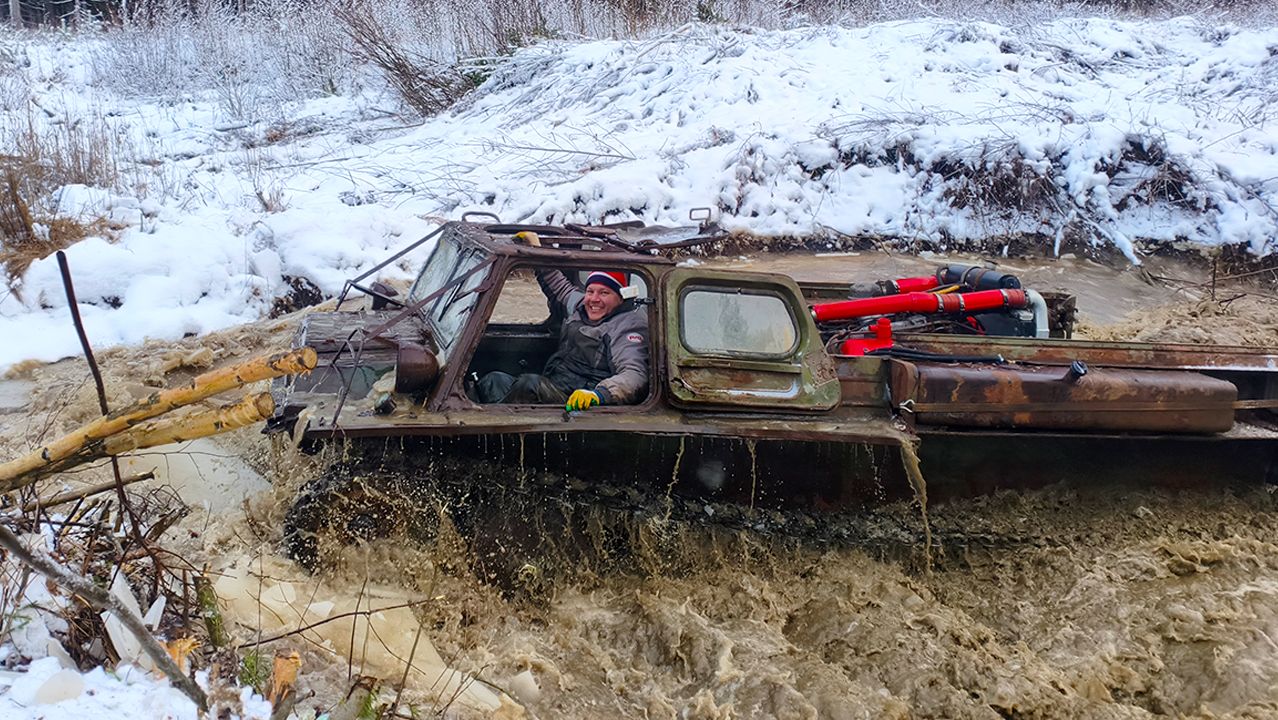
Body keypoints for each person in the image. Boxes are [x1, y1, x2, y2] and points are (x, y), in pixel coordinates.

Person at [475, 231, 649, 410]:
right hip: (557, 383)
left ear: (620, 298)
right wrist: (537, 249)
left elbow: (635, 374)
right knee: (494, 380)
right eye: (590, 291)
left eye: (604, 293)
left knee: (530, 384)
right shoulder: (581, 306)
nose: (594, 299)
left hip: (578, 403)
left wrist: (599, 394)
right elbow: (558, 285)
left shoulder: (628, 327)